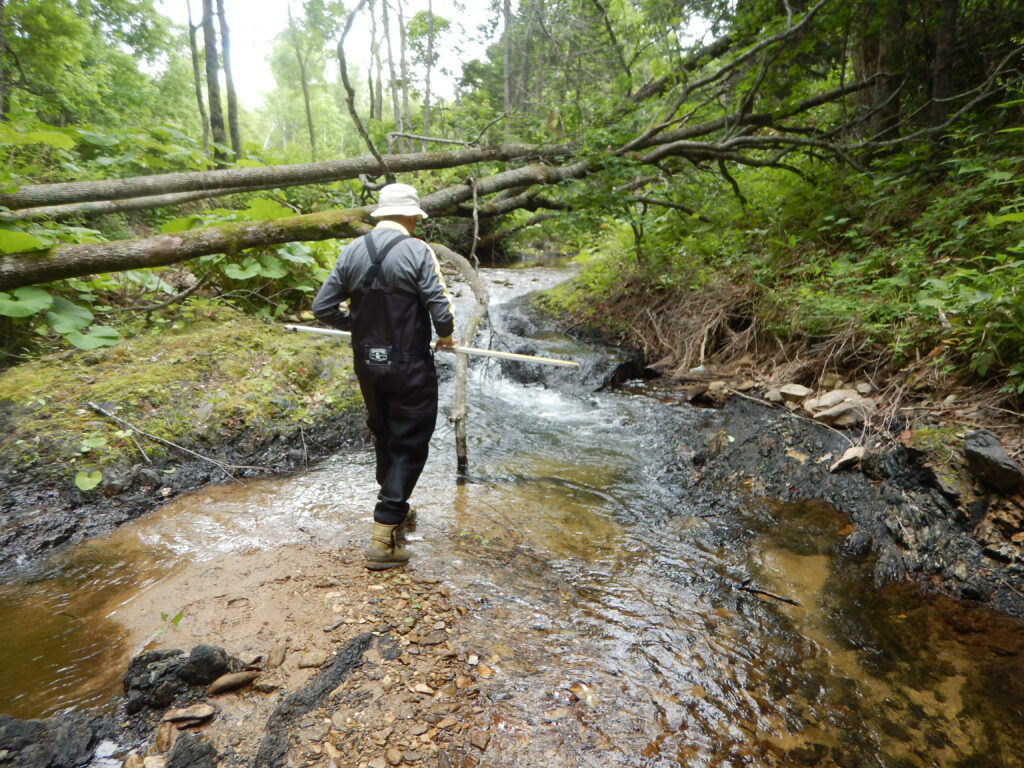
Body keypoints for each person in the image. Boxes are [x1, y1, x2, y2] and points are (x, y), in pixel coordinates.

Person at [312, 183, 456, 570]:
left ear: (381, 215)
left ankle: (396, 506)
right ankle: (383, 537)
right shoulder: (417, 250)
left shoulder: (351, 250)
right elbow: (440, 306)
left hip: (367, 363)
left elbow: (322, 307)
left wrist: (357, 325)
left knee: (384, 432)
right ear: (411, 217)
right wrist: (445, 336)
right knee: (410, 441)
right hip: (408, 363)